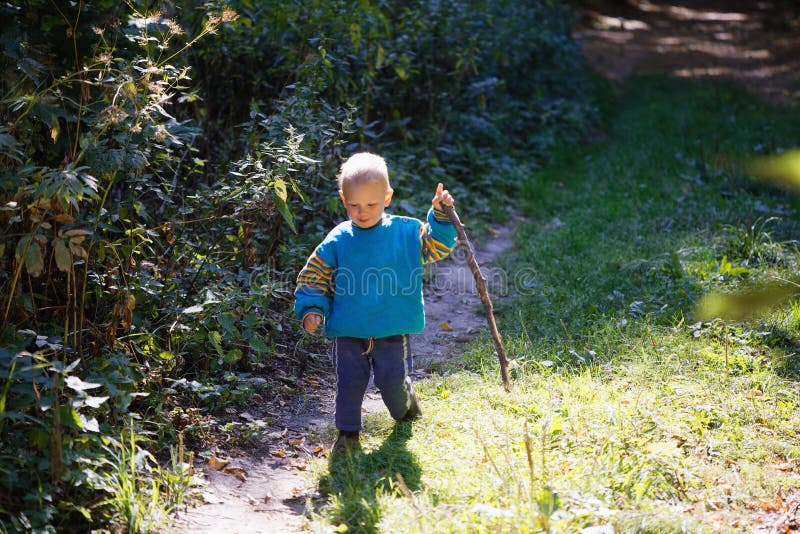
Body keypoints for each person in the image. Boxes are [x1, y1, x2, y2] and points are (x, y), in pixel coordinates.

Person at [294, 152, 457, 452]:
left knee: (392, 381)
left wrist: (441, 216)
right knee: (349, 384)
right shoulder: (338, 239)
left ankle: (407, 410)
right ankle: (347, 435)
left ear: (387, 196)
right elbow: (314, 275)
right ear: (343, 198)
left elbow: (438, 246)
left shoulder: (406, 232)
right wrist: (312, 309)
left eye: (371, 204)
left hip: (391, 327)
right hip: (349, 330)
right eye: (354, 204)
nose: (362, 211)